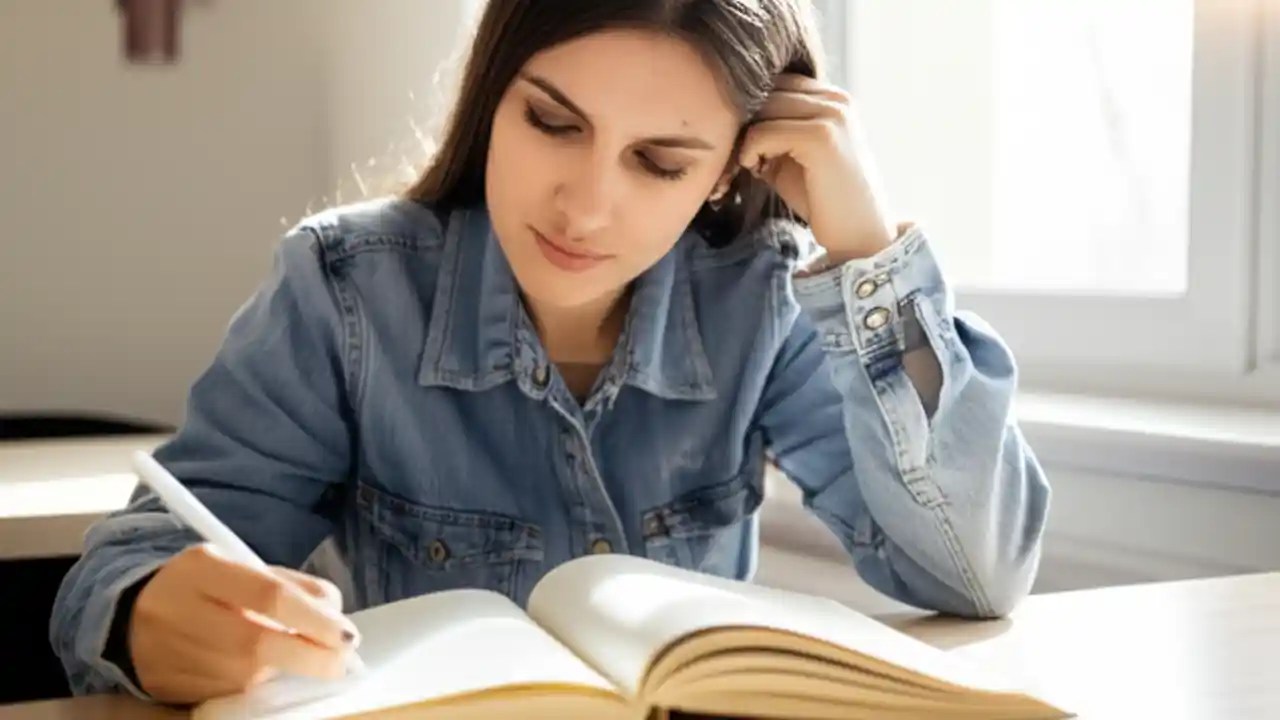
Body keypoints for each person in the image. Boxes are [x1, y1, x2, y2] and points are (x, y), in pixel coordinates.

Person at [51, 0, 1050, 706]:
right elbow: (125, 574)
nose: (584, 206)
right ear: (492, 97)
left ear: (724, 172)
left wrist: (868, 255)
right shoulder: (344, 288)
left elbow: (970, 577)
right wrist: (155, 615)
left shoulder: (763, 296)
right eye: (550, 122)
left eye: (658, 161)